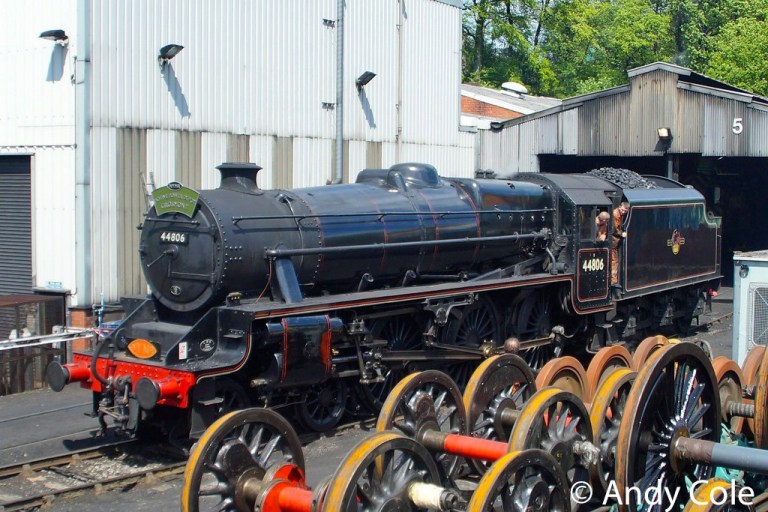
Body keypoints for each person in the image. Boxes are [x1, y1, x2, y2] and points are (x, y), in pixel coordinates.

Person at [611, 201, 629, 284]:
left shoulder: (620, 214)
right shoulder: (615, 214)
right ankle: (613, 279)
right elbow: (613, 229)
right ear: (619, 206)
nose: (624, 212)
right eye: (623, 210)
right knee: (614, 260)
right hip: (612, 241)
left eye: (625, 211)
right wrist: (622, 234)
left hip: (615, 241)